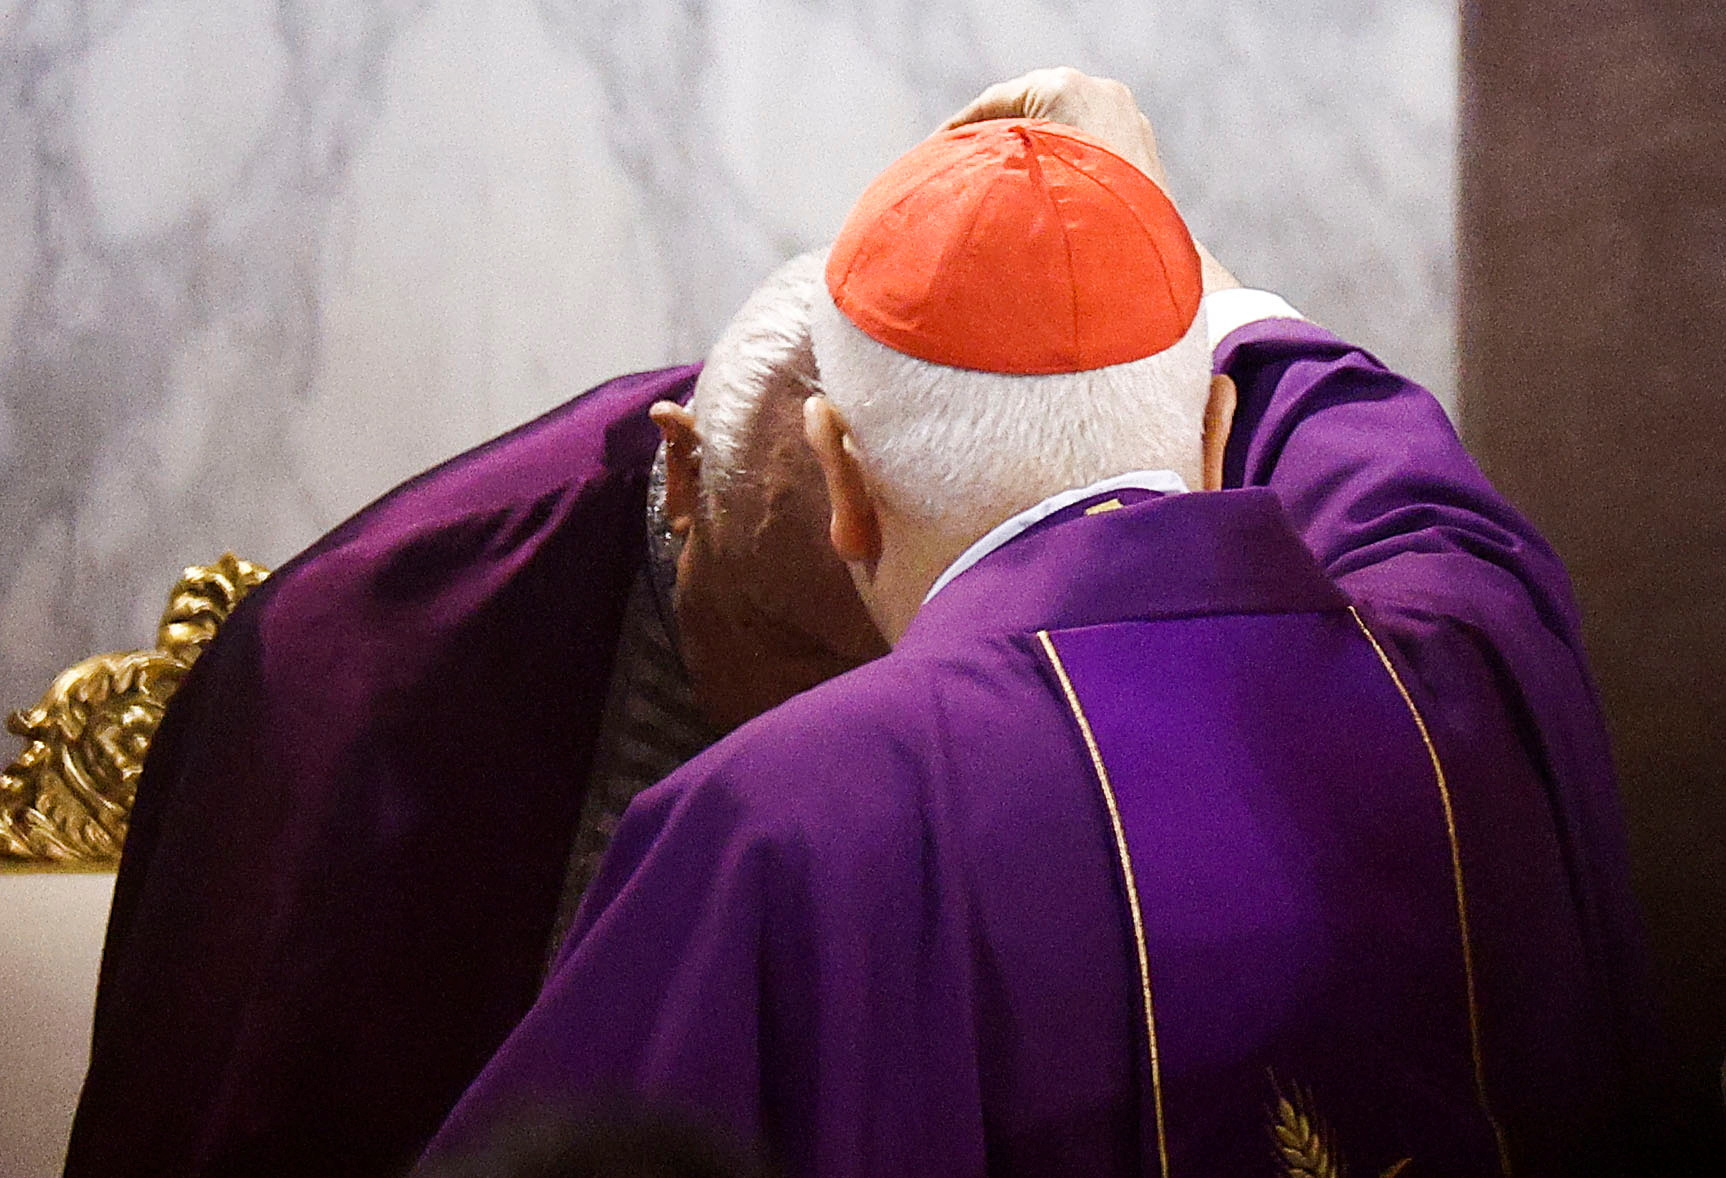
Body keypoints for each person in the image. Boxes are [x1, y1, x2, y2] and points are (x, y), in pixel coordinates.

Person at [415, 74, 1656, 1178]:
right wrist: (1178, 253)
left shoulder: (783, 825)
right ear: (1219, 433)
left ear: (841, 481)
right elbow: (1389, 463)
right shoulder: (1461, 667)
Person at [63, 255, 885, 1178]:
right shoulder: (368, 670)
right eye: (791, 647)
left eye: (882, 667)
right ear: (688, 475)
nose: (823, 723)